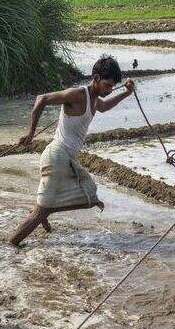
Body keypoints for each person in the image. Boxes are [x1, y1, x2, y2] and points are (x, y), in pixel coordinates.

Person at [9, 56, 135, 246]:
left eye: (111, 87)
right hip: (57, 157)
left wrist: (127, 93)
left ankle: (44, 211)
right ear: (96, 78)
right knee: (41, 212)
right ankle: (11, 244)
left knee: (89, 193)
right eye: (108, 85)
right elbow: (41, 99)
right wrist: (30, 134)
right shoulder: (77, 94)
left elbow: (105, 106)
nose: (109, 90)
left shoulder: (94, 100)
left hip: (66, 158)